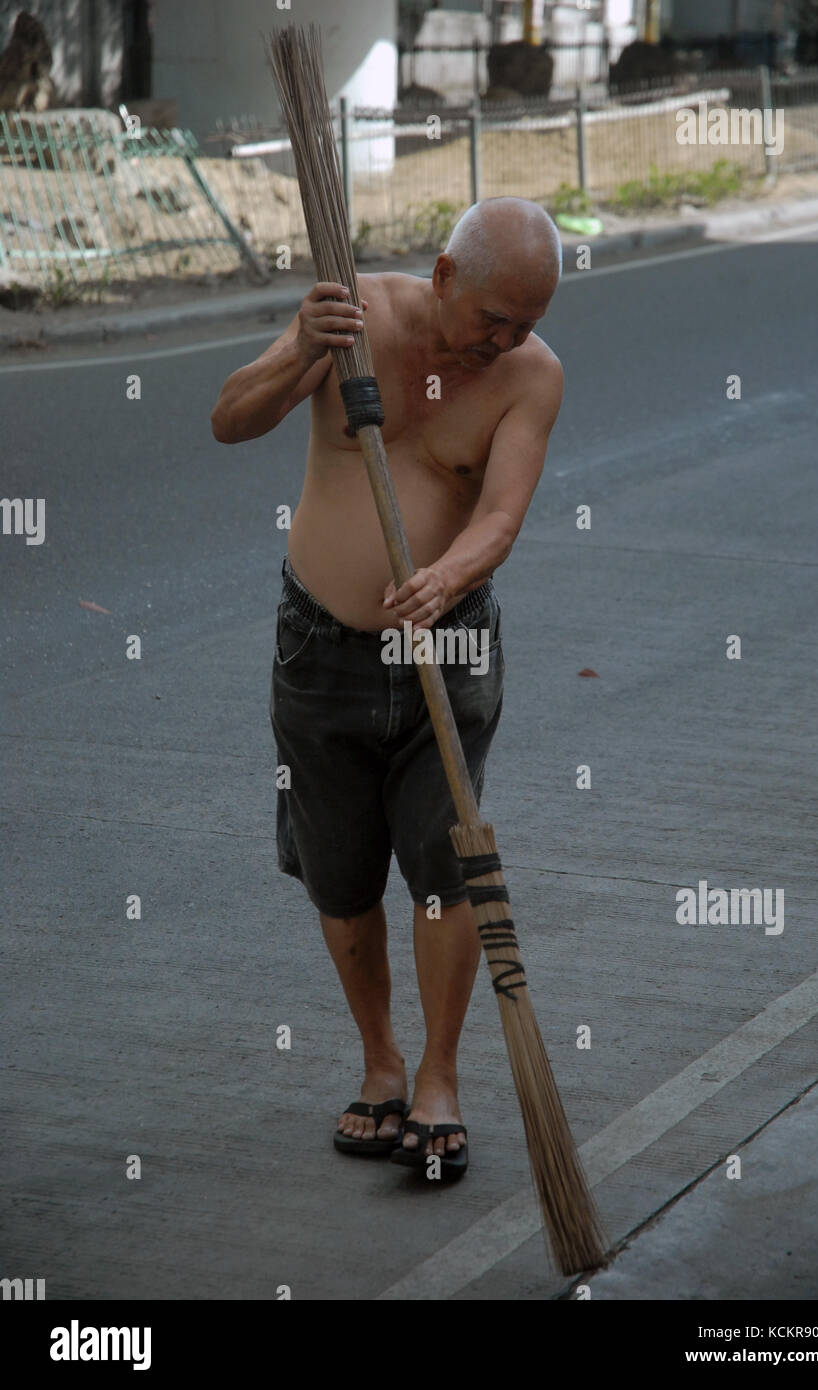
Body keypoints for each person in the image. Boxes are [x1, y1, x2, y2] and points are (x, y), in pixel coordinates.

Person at [211, 196, 563, 1178]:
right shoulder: (351, 314)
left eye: (527, 324)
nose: (508, 339)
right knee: (341, 872)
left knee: (446, 867)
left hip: (446, 648)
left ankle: (439, 1080)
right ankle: (380, 1064)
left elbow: (501, 515)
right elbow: (229, 419)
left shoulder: (530, 376)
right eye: (496, 318)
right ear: (447, 275)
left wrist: (449, 577)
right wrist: (298, 355)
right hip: (319, 648)